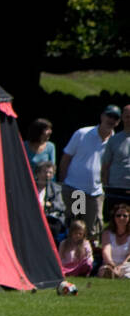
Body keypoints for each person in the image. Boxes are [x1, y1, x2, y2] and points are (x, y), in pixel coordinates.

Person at [59, 104, 120, 243]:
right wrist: (63, 181)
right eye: (109, 115)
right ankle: (71, 258)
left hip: (96, 192)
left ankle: (90, 259)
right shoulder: (83, 133)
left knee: (94, 228)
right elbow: (66, 157)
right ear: (102, 116)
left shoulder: (115, 141)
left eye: (115, 118)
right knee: (76, 225)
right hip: (76, 189)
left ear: (118, 122)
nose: (111, 120)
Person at [100, 104, 130, 224]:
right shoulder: (114, 139)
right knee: (113, 222)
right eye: (127, 116)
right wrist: (105, 185)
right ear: (122, 117)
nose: (129, 119)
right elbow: (105, 166)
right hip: (115, 188)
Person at [35, 160, 65, 244]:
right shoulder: (30, 186)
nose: (48, 175)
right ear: (38, 173)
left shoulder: (56, 189)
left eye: (50, 173)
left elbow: (61, 206)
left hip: (48, 218)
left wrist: (50, 205)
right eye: (45, 172)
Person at [98, 203, 130, 278]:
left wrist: (121, 265)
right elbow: (106, 251)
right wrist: (112, 265)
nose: (121, 218)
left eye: (125, 216)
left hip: (125, 265)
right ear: (114, 217)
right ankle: (112, 274)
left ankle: (119, 275)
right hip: (109, 264)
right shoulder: (107, 233)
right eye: (118, 215)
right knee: (104, 270)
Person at [25, 117, 57, 183]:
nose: (50, 132)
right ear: (38, 131)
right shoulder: (24, 146)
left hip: (43, 184)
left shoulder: (50, 147)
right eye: (47, 129)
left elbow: (52, 168)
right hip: (25, 183)